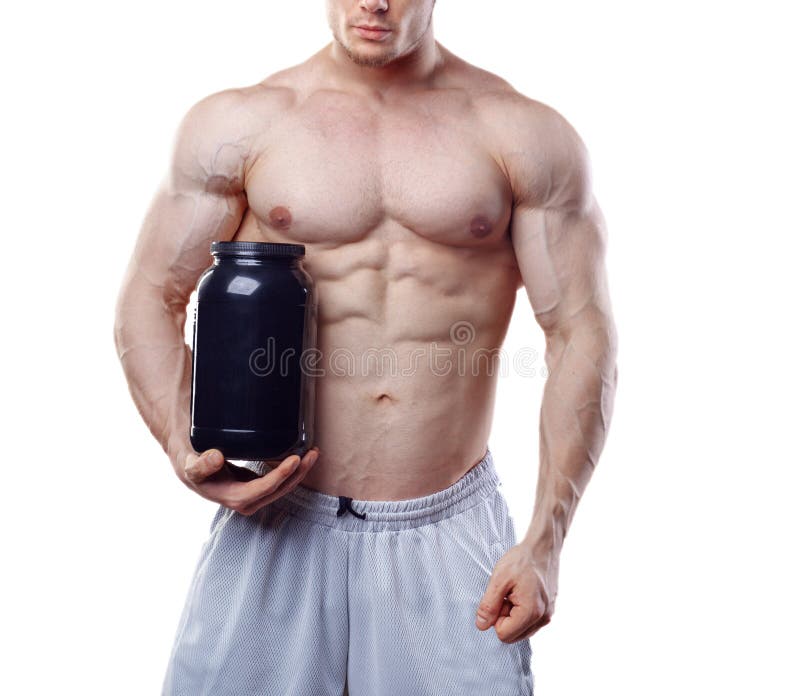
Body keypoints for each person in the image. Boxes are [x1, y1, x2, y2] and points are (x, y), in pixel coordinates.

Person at [113, 0, 619, 693]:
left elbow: (579, 331)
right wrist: (181, 441)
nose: (373, 1)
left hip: (449, 530)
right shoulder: (242, 125)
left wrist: (546, 540)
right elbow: (151, 296)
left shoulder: (522, 136)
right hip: (277, 517)